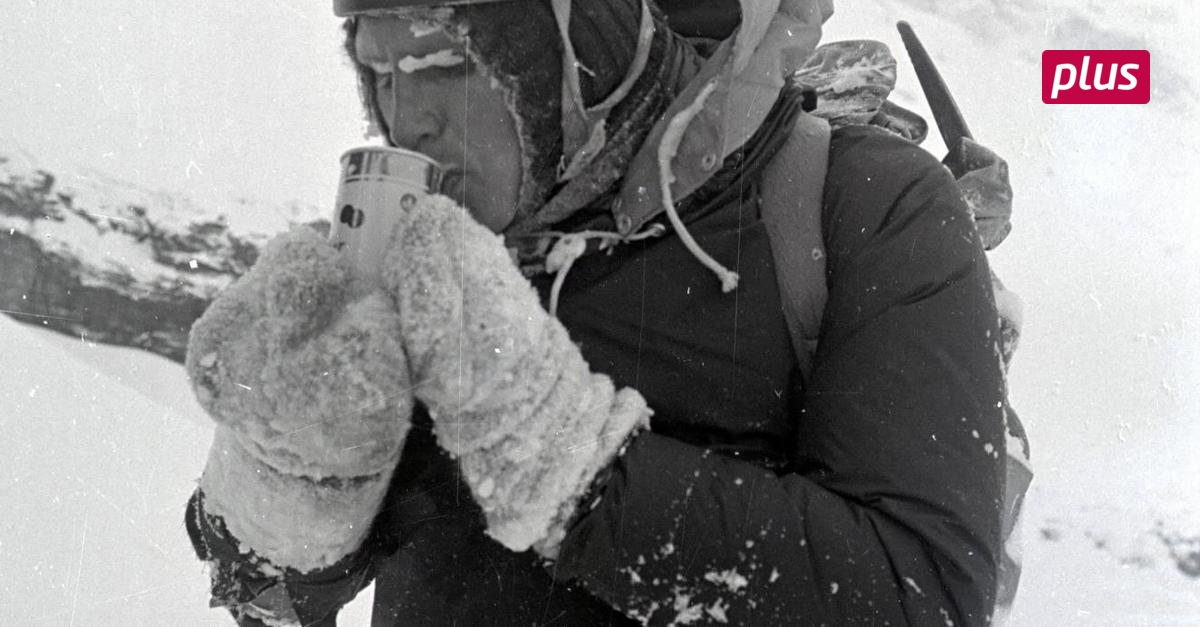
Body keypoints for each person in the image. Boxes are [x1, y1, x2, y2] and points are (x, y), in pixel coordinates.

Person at [183, 1, 1022, 625]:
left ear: (579, 57)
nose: (410, 118)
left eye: (442, 62)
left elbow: (926, 595)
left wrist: (567, 468)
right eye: (379, 70)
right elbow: (269, 597)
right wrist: (285, 486)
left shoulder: (865, 205)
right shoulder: (425, 249)